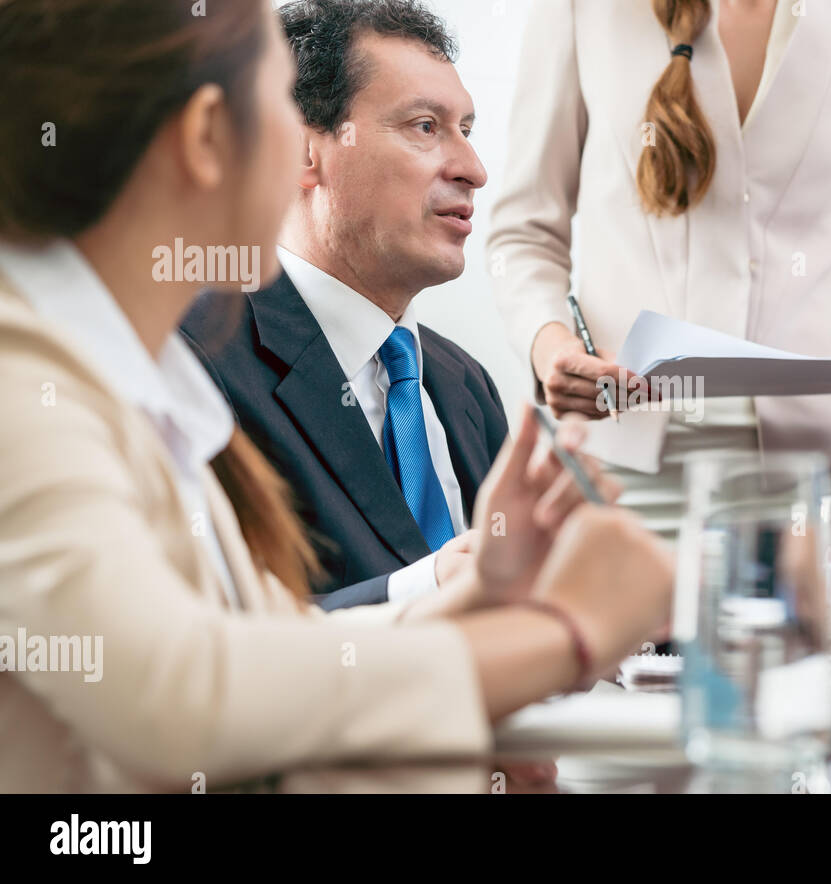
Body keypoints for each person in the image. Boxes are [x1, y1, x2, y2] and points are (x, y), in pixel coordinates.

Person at [0, 0, 671, 792]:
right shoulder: (27, 377)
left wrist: (479, 592)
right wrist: (567, 634)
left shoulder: (136, 381)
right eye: (278, 100)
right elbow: (183, 698)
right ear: (210, 135)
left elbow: (268, 649)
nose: (473, 169)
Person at [487, 0, 831, 538]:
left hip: (814, 478)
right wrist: (551, 348)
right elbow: (526, 232)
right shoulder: (584, 9)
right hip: (621, 469)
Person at [183, 0, 503, 610]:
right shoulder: (198, 355)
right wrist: (430, 587)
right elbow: (210, 643)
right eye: (425, 127)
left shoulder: (466, 385)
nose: (473, 169)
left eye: (467, 129)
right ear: (302, 152)